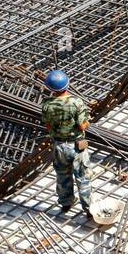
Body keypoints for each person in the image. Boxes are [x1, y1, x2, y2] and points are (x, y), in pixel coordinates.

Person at [42, 70, 92, 215]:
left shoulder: (47, 105)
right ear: (67, 85)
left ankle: (66, 203)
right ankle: (88, 208)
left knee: (62, 176)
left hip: (59, 147)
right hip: (76, 147)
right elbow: (83, 126)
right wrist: (88, 122)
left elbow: (48, 126)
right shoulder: (76, 103)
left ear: (50, 88)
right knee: (82, 177)